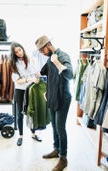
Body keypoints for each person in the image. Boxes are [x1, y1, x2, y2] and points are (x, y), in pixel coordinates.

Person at [35, 35, 73, 171]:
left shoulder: (62, 56)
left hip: (63, 97)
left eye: (41, 50)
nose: (41, 53)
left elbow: (70, 75)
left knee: (60, 127)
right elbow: (44, 73)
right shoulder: (49, 58)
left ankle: (63, 158)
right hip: (52, 96)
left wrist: (57, 63)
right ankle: (56, 149)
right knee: (54, 126)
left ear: (48, 44)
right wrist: (46, 89)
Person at [10, 42, 41, 146]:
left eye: (20, 50)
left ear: (22, 48)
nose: (19, 53)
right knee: (20, 113)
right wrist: (29, 79)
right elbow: (16, 80)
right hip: (20, 90)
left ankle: (33, 133)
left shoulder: (31, 59)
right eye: (16, 52)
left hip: (31, 89)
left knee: (32, 111)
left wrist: (37, 75)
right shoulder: (13, 63)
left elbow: (37, 73)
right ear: (14, 54)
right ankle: (20, 136)